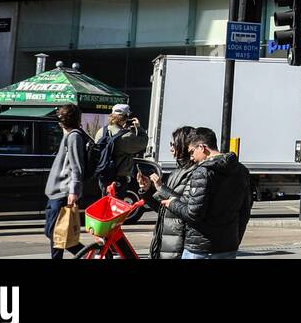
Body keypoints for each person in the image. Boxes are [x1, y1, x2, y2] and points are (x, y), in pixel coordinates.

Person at [157, 127, 252, 259]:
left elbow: (194, 213)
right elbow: (245, 211)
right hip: (228, 246)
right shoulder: (241, 171)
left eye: (192, 151)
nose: (192, 157)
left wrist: (173, 204)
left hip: (200, 247)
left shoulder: (203, 172)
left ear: (202, 147)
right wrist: (235, 240)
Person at [136, 125, 197, 259]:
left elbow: (186, 207)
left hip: (178, 242)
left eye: (173, 144)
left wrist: (161, 187)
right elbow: (162, 208)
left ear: (183, 146)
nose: (171, 148)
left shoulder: (194, 173)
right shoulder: (176, 172)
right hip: (164, 241)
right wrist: (146, 190)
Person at [44, 104, 89, 260]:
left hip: (63, 191)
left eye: (60, 117)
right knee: (57, 232)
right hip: (57, 191)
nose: (58, 120)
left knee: (55, 231)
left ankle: (88, 254)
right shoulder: (70, 135)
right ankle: (87, 254)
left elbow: (77, 166)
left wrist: (73, 191)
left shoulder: (74, 136)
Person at [92, 103, 148, 196]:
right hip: (118, 179)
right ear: (126, 118)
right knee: (116, 207)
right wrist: (138, 128)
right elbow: (143, 143)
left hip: (103, 176)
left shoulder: (101, 131)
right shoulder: (125, 136)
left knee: (105, 204)